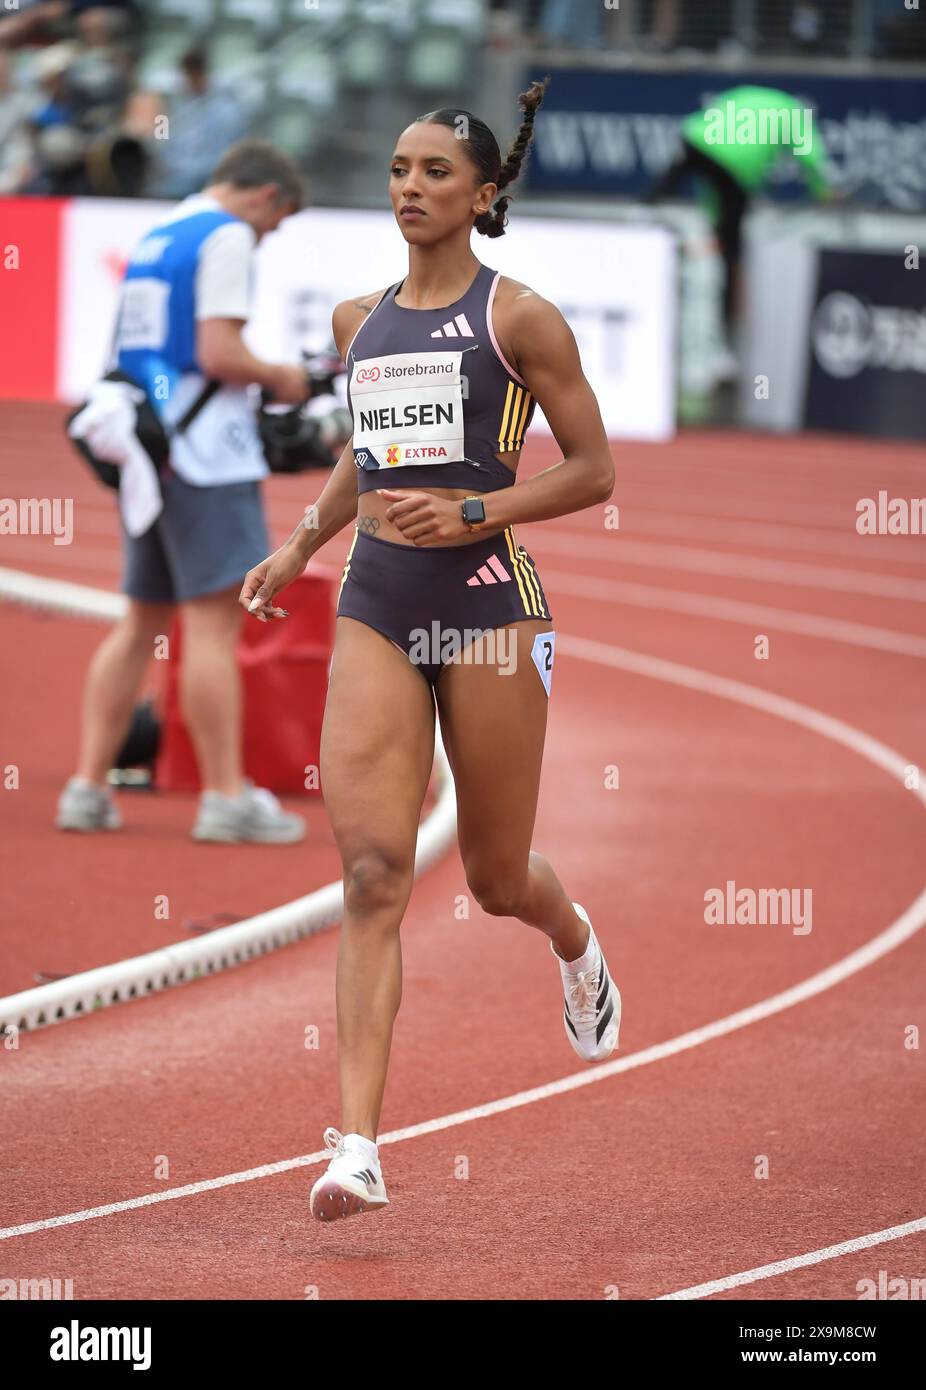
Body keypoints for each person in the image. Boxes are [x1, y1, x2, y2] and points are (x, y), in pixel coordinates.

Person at [240, 79, 621, 1221]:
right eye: (399, 170)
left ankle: (576, 939)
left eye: (435, 174)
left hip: (492, 607)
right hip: (376, 601)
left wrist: (473, 513)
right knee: (369, 872)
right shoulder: (360, 319)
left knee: (498, 878)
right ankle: (356, 1144)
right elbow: (365, 448)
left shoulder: (520, 319)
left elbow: (592, 469)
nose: (409, 188)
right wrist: (302, 538)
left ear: (482, 194)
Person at [57, 139, 313, 843]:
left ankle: (86, 787)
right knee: (210, 627)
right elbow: (218, 354)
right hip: (205, 457)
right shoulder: (227, 236)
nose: (268, 237)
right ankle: (225, 797)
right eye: (276, 223)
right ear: (265, 197)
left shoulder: (160, 232)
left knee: (140, 621)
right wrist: (282, 377)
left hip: (148, 449)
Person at [646, 85, 832, 337]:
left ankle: (646, 212)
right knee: (732, 247)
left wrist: (714, 218)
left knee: (683, 173)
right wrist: (822, 190)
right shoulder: (793, 111)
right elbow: (809, 154)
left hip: (696, 140)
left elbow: (711, 173)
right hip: (736, 165)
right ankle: (731, 316)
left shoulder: (749, 94)